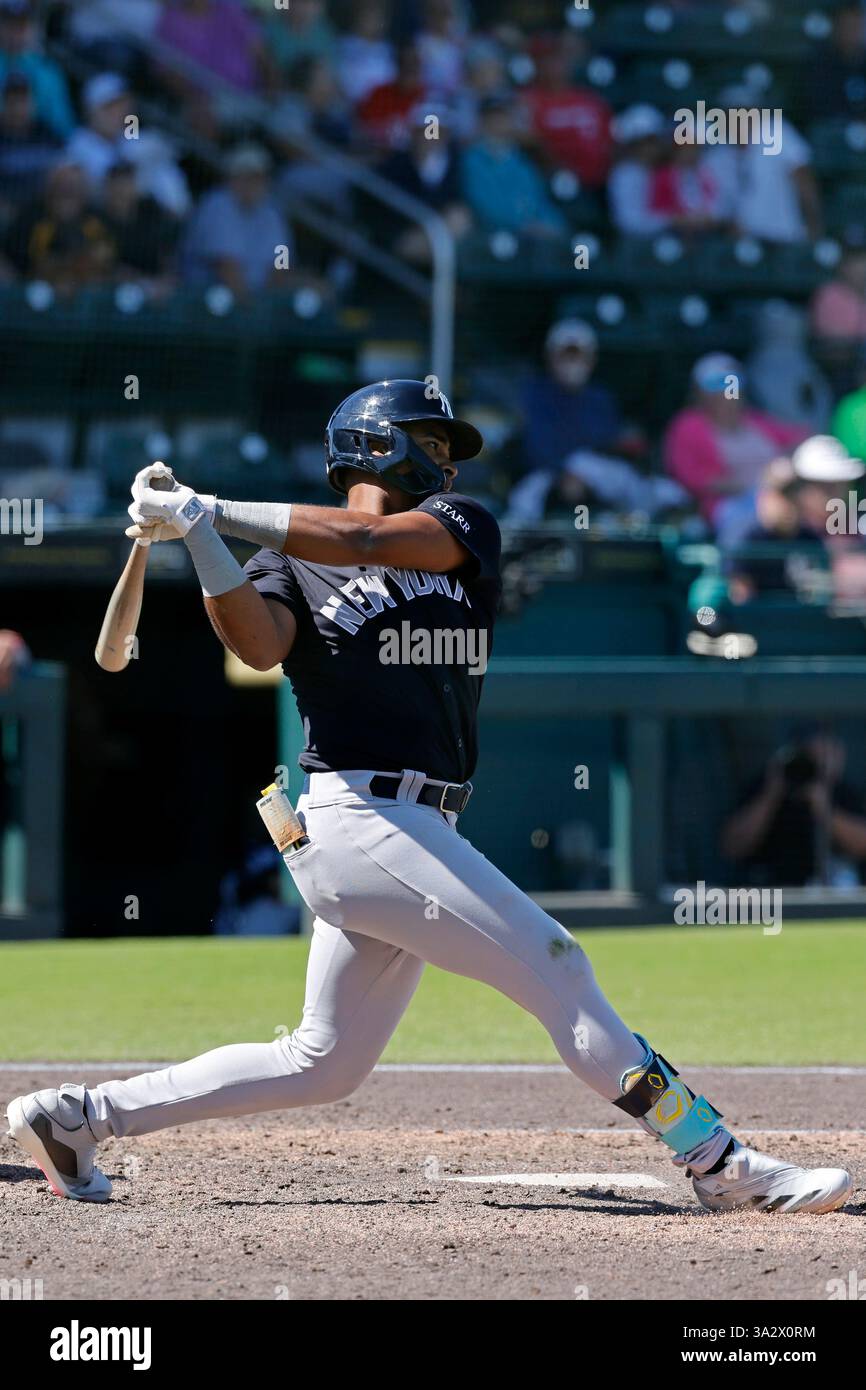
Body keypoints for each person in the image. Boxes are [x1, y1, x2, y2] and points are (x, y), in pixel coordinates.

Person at [6, 380, 852, 1216]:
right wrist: (198, 537)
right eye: (431, 439)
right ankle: (717, 1160)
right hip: (359, 816)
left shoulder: (459, 525)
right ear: (374, 443)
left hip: (412, 824)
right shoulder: (280, 559)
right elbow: (258, 647)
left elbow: (368, 536)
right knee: (561, 965)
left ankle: (79, 1118)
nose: (445, 459)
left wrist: (208, 505)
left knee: (323, 1064)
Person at [664, 353, 807, 527]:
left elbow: (802, 438)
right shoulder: (688, 426)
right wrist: (752, 485)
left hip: (778, 497)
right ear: (699, 391)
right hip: (728, 507)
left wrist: (786, 464)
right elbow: (690, 477)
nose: (727, 390)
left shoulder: (755, 421)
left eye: (733, 381)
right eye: (716, 383)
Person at [721, 730, 866, 888]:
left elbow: (862, 845)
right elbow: (731, 846)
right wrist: (771, 794)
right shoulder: (764, 788)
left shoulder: (844, 793)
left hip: (832, 891)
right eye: (809, 757)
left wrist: (824, 808)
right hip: (774, 891)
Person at [705, 86, 821, 244]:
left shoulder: (774, 132)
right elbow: (716, 205)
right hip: (741, 240)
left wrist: (814, 224)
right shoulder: (715, 155)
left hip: (783, 237)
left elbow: (803, 180)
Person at [67, 72, 190, 218]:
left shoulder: (128, 133)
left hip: (145, 216)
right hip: (102, 217)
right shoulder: (80, 142)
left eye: (121, 105)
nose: (118, 112)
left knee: (165, 170)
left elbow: (165, 148)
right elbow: (107, 182)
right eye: (110, 107)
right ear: (93, 111)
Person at [182, 142, 291, 298]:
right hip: (209, 299)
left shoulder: (271, 212)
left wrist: (269, 302)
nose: (252, 184)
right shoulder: (216, 206)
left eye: (258, 177)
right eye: (245, 176)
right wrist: (255, 312)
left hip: (255, 299)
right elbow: (226, 267)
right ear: (231, 178)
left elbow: (282, 262)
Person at [1, 158, 116, 293]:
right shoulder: (30, 217)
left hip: (88, 292)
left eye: (73, 187)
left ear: (84, 191)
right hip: (33, 291)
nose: (67, 191)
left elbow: (106, 257)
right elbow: (21, 260)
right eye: (61, 186)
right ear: (50, 189)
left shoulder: (96, 219)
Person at [460, 94, 566, 237]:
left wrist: (553, 225)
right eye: (493, 117)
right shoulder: (471, 160)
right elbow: (484, 207)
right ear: (482, 121)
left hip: (534, 236)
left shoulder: (522, 160)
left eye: (503, 117)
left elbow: (541, 201)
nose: (498, 123)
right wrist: (523, 225)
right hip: (495, 237)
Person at [521, 31, 613, 190]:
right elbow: (529, 141)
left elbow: (609, 140)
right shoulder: (528, 99)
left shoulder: (591, 100)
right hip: (552, 180)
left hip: (600, 182)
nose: (555, 66)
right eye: (547, 60)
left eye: (559, 59)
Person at [746, 299, 833, 433]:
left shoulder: (808, 367)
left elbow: (821, 406)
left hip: (812, 440)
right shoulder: (756, 368)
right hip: (776, 444)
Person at [0, 0, 75, 140]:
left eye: (21, 26)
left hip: (40, 146)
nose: (15, 33)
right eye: (10, 25)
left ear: (33, 28)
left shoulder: (49, 71)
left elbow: (63, 126)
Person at [0, 70, 60, 215]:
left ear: (32, 103)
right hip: (8, 211)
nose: (18, 108)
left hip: (45, 209)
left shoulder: (46, 133)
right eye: (12, 101)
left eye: (23, 100)